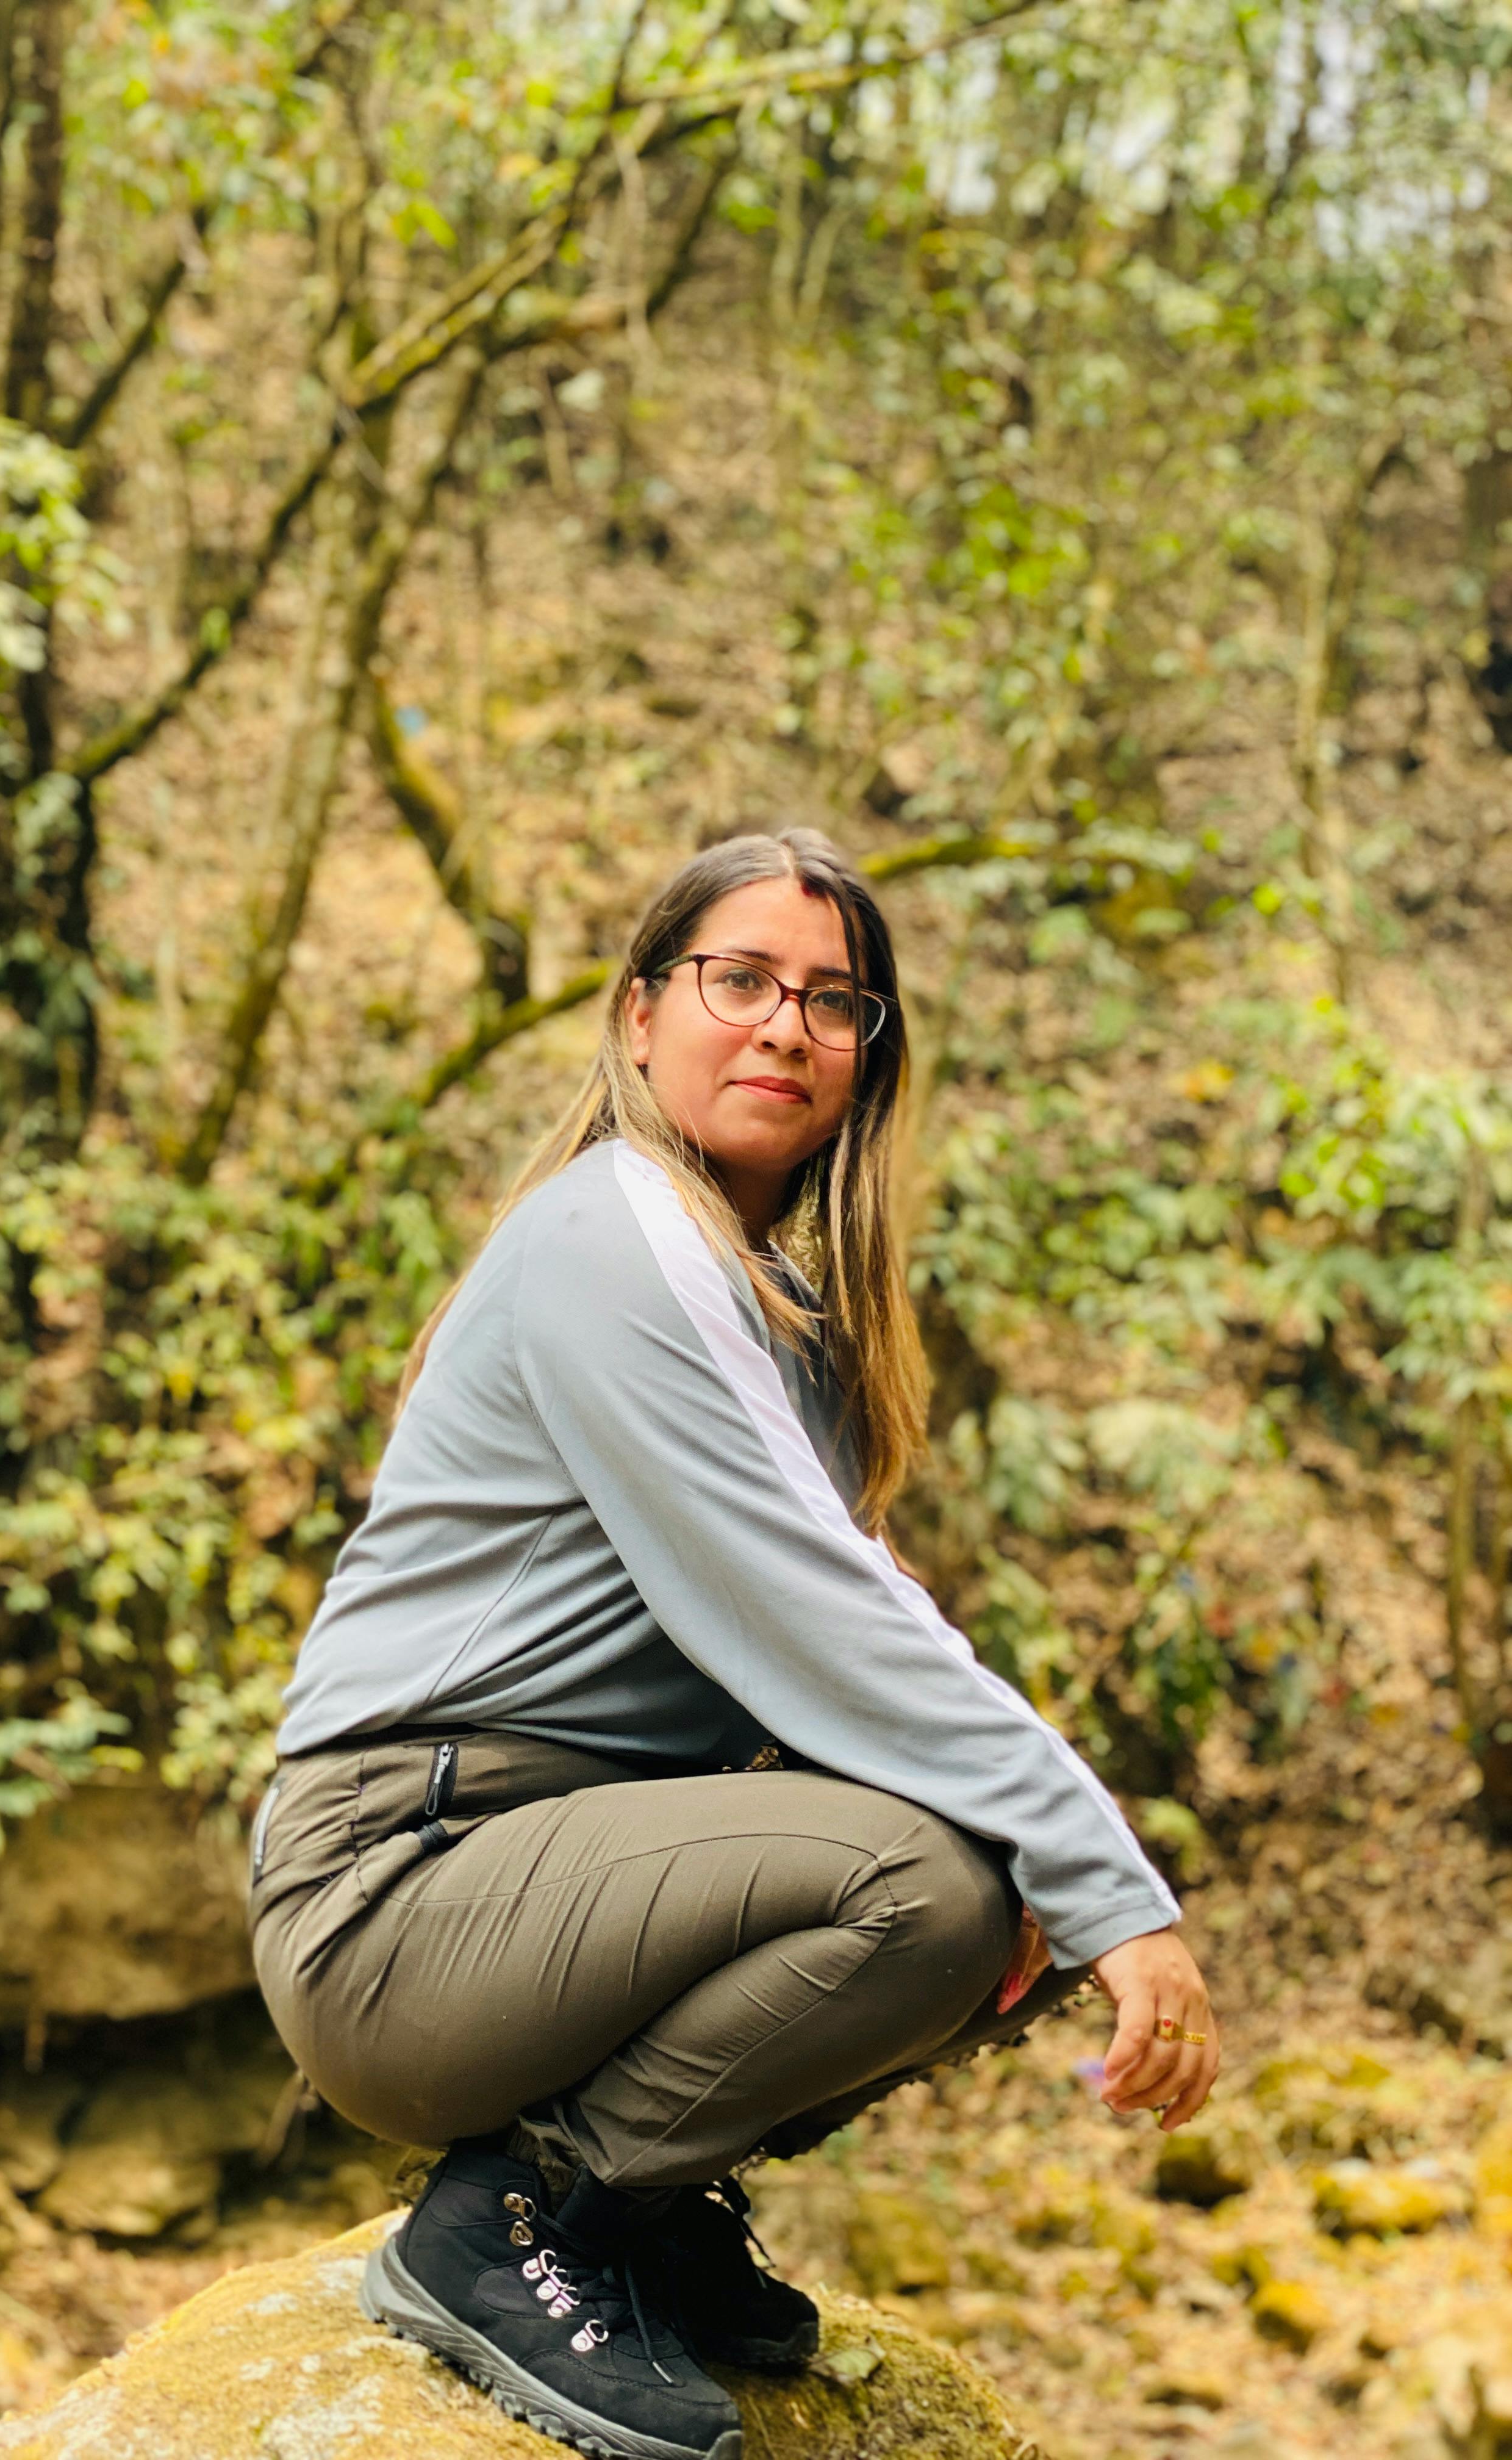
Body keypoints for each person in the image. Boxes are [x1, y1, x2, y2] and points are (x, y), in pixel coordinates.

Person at [248, 829, 1220, 2460]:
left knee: (992, 1889)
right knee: (946, 1883)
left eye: (835, 1001)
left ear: (868, 1059)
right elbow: (827, 1625)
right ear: (641, 1016)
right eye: (741, 981)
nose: (786, 1027)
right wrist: (1113, 1888)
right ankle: (523, 2219)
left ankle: (637, 2210)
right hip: (394, 1888)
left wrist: (1060, 1875)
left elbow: (860, 1637)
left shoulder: (773, 1294)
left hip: (540, 1880)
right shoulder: (611, 1240)